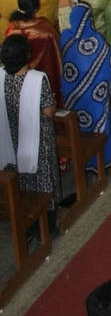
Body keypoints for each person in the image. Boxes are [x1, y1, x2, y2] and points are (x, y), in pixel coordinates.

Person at [0, 31, 60, 215]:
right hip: (39, 142)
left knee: (20, 177)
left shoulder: (1, 76)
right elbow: (48, 111)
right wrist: (53, 101)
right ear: (27, 55)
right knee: (42, 177)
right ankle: (47, 219)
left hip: (11, 137)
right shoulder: (37, 79)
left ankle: (22, 213)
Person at [60, 0, 111, 169]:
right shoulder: (98, 40)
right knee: (101, 115)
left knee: (78, 123)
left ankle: (80, 158)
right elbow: (110, 64)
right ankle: (104, 157)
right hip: (95, 100)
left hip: (72, 98)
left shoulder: (65, 38)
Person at [5, 0, 62, 94]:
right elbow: (57, 54)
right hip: (44, 78)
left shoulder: (11, 28)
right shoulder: (46, 31)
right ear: (36, 8)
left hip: (18, 78)